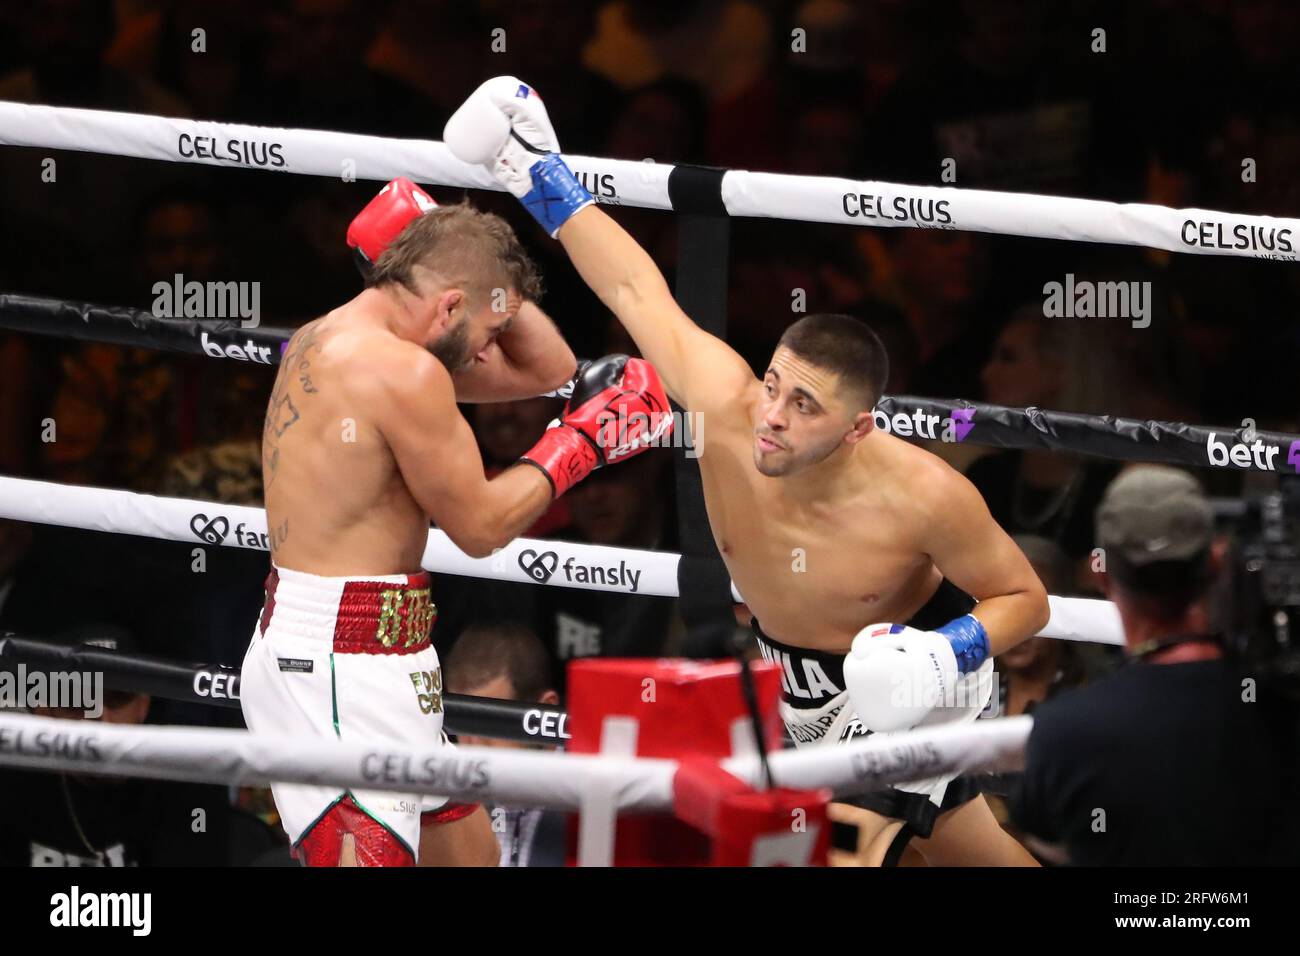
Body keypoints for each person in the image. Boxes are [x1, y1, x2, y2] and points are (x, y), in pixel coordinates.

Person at [445, 78, 1048, 866]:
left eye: (805, 406)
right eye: (775, 385)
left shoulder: (922, 493)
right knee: (977, 859)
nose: (773, 415)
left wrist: (948, 651)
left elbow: (1025, 599)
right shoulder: (728, 407)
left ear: (858, 427)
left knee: (834, 852)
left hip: (907, 682)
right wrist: (536, 174)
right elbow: (635, 289)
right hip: (794, 691)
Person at [240, 177, 671, 867]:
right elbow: (480, 528)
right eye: (489, 331)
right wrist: (585, 441)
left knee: (474, 859)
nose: (488, 352)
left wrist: (453, 243)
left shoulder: (328, 338)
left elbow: (551, 367)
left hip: (374, 656)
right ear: (445, 307)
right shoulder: (404, 375)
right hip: (338, 673)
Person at [1011, 466, 1300, 865]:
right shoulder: (1278, 705)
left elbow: (1046, 839)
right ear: (1216, 563)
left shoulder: (1064, 732)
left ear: (1103, 578)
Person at [444, 621, 567, 867]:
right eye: (462, 728)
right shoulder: (443, 792)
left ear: (545, 712)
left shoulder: (591, 791)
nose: (474, 747)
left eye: (489, 727)